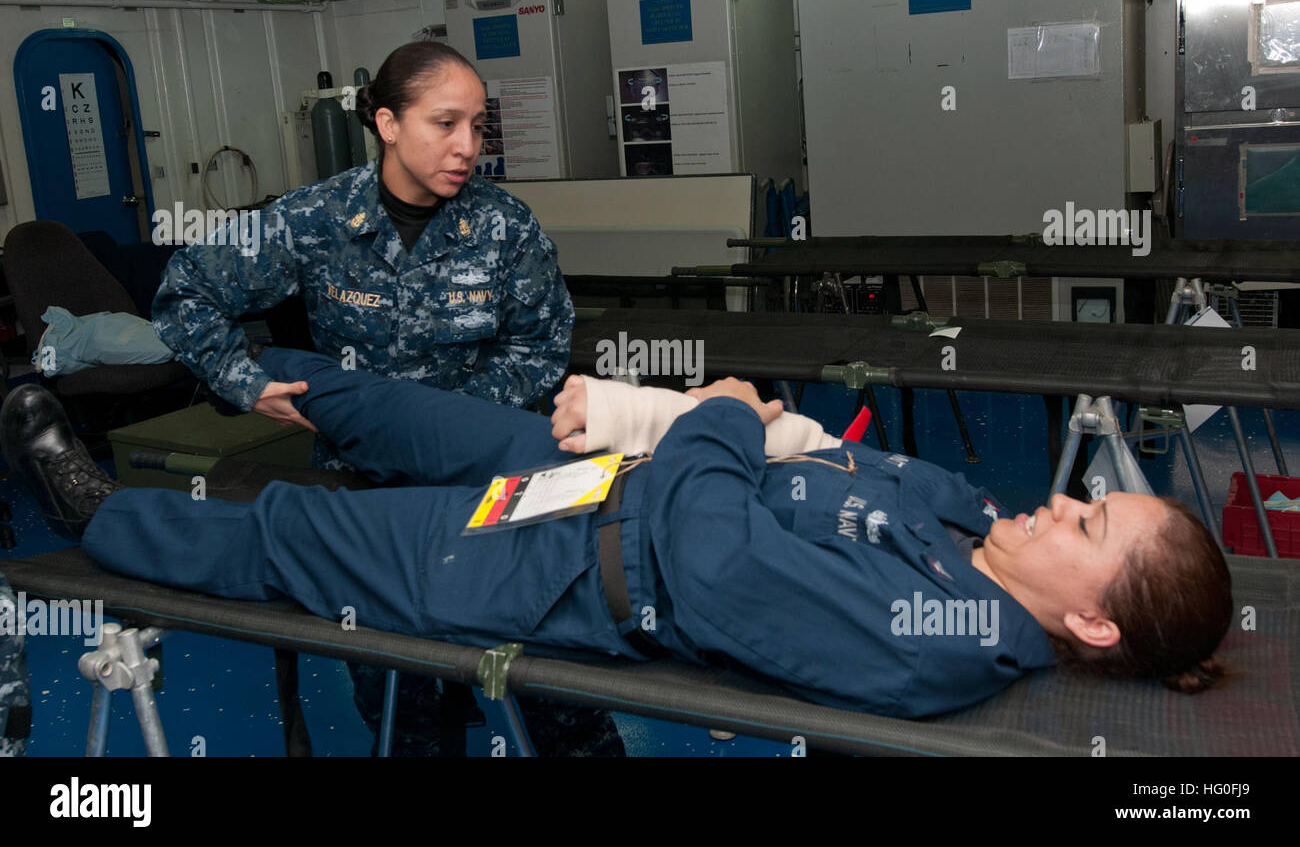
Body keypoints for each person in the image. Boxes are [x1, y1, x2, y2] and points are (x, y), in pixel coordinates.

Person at [1, 347, 1235, 726]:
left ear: (1091, 621)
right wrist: (715, 430)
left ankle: (108, 518)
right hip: (599, 480)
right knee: (386, 407)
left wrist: (708, 420)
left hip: (549, 562)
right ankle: (242, 370)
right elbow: (813, 447)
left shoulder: (945, 635)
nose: (1061, 498)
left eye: (1089, 521)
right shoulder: (970, 518)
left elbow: (712, 563)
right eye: (1088, 493)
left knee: (298, 535)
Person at [146, 40, 614, 755]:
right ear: (389, 124)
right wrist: (247, 382)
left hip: (493, 488)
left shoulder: (504, 227)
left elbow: (543, 350)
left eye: (478, 127)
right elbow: (186, 292)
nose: (468, 147)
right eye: (445, 124)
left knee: (554, 689)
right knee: (403, 706)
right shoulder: (314, 219)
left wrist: (445, 415)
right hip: (370, 493)